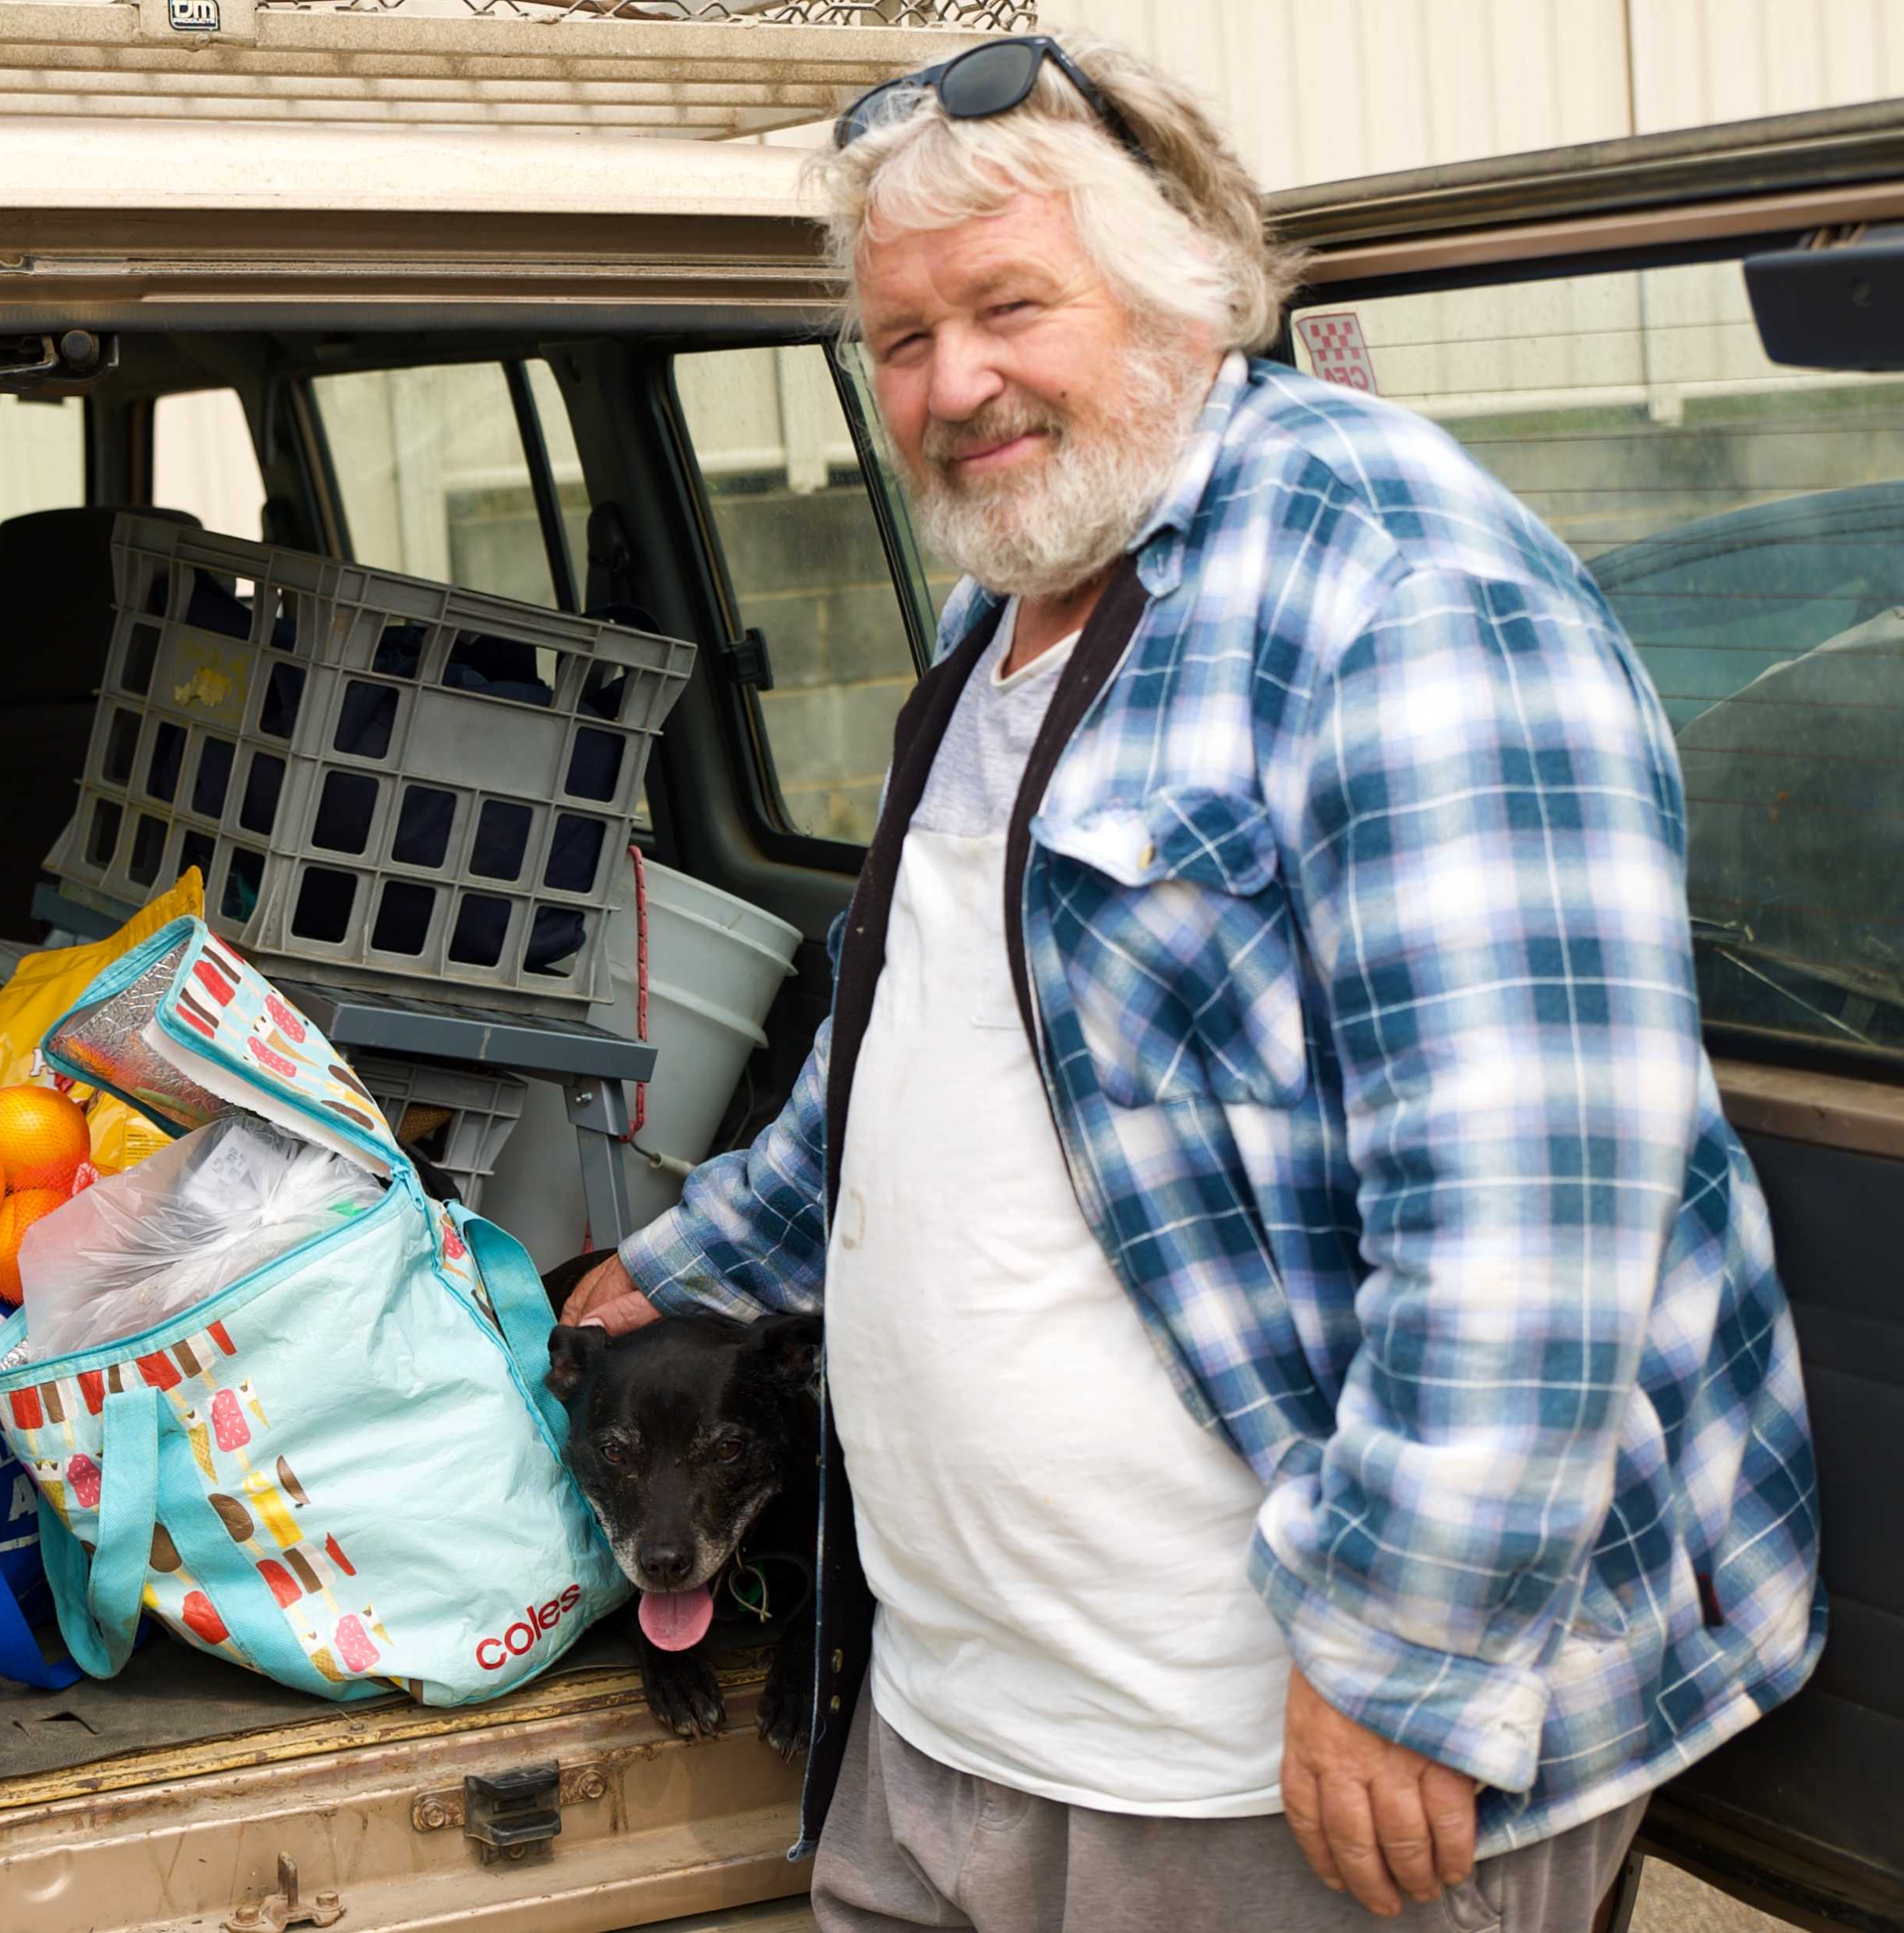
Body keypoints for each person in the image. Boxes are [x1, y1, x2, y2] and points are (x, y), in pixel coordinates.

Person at [564, 35, 1823, 1932]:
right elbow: (926, 1034)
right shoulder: (1021, 602)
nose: (950, 382)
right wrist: (705, 1256)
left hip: (1262, 1766)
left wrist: (1406, 1656)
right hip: (970, 1708)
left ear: (1192, 300)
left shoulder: (1404, 593)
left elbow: (1534, 1204)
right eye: (900, 340)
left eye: (1008, 307)